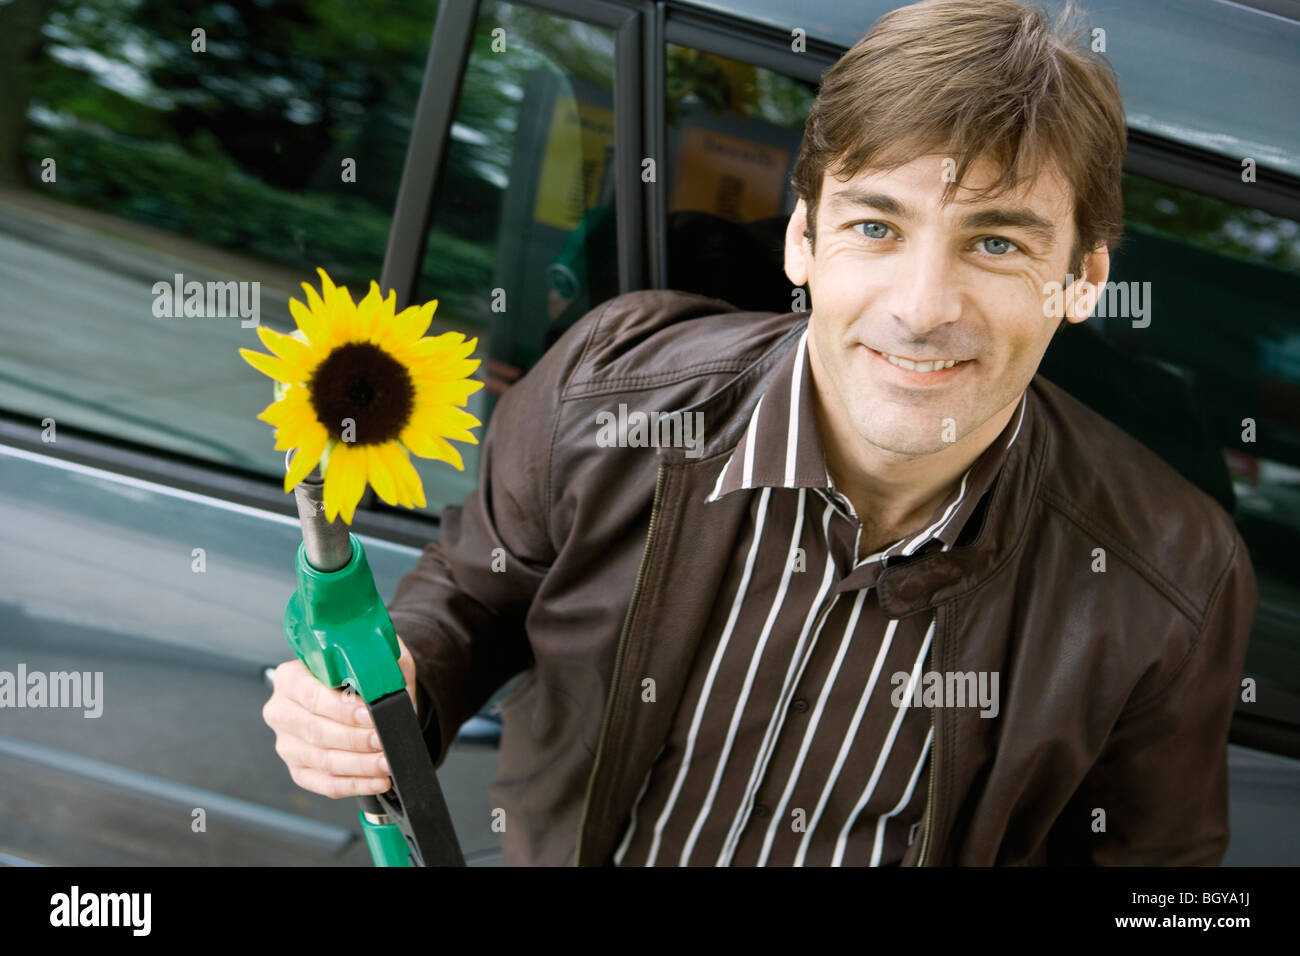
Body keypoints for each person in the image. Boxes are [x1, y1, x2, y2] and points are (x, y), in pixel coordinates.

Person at [262, 0, 1258, 866]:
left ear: (1082, 276)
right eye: (875, 225)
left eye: (995, 241)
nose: (920, 307)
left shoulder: (1172, 571)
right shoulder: (609, 383)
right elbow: (473, 593)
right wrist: (387, 697)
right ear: (802, 236)